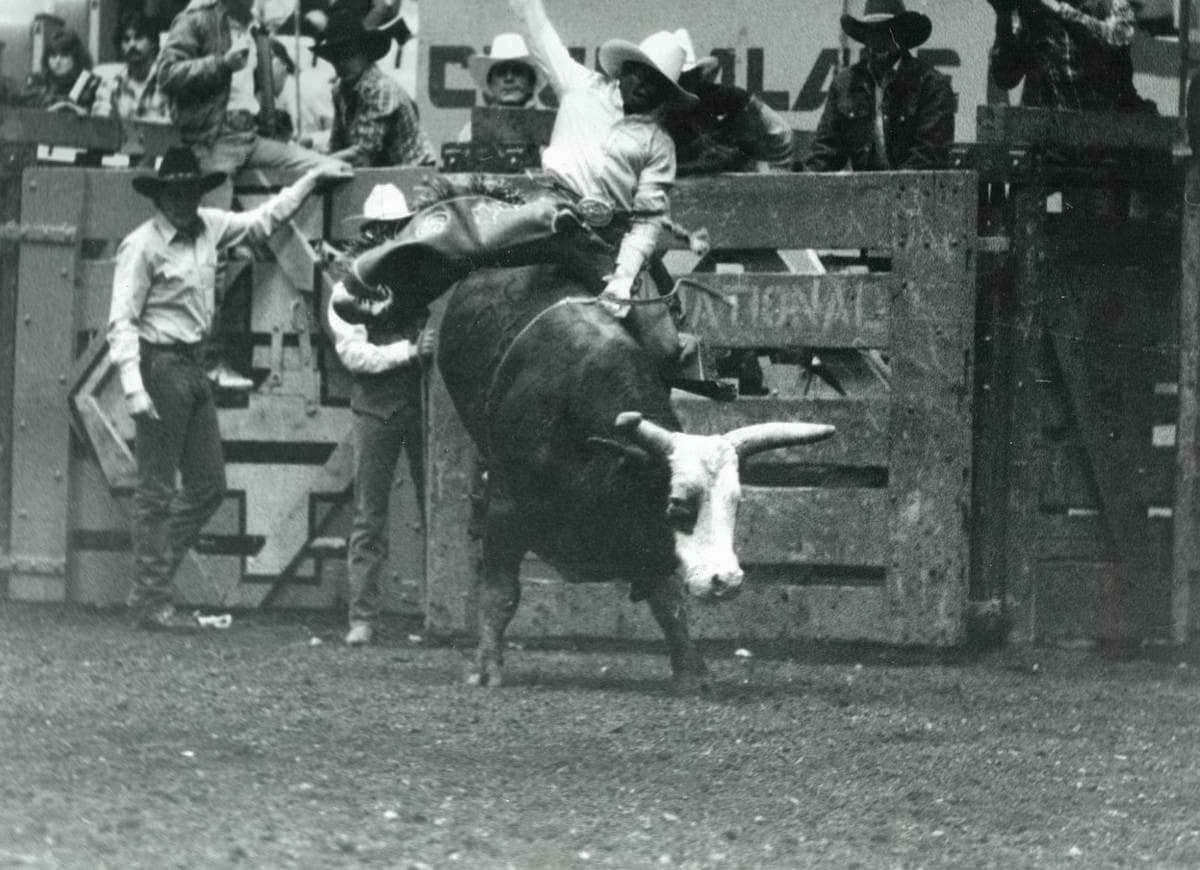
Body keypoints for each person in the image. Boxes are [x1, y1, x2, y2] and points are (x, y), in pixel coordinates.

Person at [107, 147, 352, 631]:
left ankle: (147, 587)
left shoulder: (210, 226)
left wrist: (311, 179)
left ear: (197, 194)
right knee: (156, 491)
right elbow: (122, 322)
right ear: (158, 197)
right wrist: (134, 387)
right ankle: (151, 598)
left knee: (208, 485)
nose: (181, 201)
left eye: (188, 192)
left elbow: (264, 221)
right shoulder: (143, 246)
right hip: (160, 367)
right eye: (172, 193)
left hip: (194, 366)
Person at [328, 184, 434, 646]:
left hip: (420, 405)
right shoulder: (347, 288)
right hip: (377, 406)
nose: (389, 238)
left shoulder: (422, 280)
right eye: (383, 231)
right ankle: (363, 617)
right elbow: (355, 355)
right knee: (370, 516)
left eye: (396, 230)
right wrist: (411, 352)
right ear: (369, 234)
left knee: (438, 510)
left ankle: (439, 614)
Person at [157, 0, 337, 208]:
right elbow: (166, 74)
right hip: (215, 140)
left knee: (330, 168)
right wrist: (222, 64)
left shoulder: (255, 29)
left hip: (251, 137)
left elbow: (254, 89)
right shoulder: (197, 19)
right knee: (217, 229)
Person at [804, 0, 953, 172]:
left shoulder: (931, 85)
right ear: (864, 37)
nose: (879, 40)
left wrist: (887, 192)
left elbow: (929, 156)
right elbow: (825, 153)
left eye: (888, 32)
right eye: (871, 32)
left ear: (902, 36)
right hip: (863, 193)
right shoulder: (845, 84)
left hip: (914, 193)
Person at [317, 10, 437, 167]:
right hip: (380, 173)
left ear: (364, 53)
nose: (341, 63)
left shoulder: (380, 88)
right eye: (335, 57)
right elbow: (337, 144)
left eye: (348, 54)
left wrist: (315, 163)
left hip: (413, 172)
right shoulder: (339, 90)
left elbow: (363, 155)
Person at [666, 29, 794, 176]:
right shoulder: (648, 112)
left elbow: (780, 135)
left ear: (695, 77)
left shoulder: (723, 98)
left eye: (687, 78)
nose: (681, 89)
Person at [988, 0, 1150, 112]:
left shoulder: (1114, 3)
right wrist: (1004, 15)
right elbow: (1005, 77)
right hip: (1043, 142)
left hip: (1099, 141)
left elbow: (1117, 38)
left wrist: (1059, 11)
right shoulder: (1032, 9)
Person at [457, 31, 548, 142]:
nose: (509, 78)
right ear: (491, 85)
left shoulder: (551, 130)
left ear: (530, 83)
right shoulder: (470, 133)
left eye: (517, 71)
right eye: (501, 72)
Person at [91, 9, 170, 124]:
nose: (131, 44)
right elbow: (100, 126)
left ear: (153, 42)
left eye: (138, 37)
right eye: (126, 39)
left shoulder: (168, 80)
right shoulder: (111, 83)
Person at [19, 28, 98, 113]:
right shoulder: (38, 82)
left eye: (64, 56)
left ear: (76, 58)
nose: (57, 62)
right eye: (53, 56)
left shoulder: (88, 83)